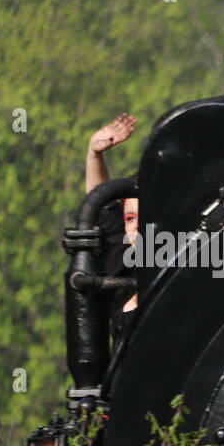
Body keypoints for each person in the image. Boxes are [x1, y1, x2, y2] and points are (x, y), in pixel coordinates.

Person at [85, 114, 141, 323]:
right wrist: (94, 155)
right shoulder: (124, 261)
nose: (137, 227)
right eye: (130, 218)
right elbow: (102, 204)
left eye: (146, 218)